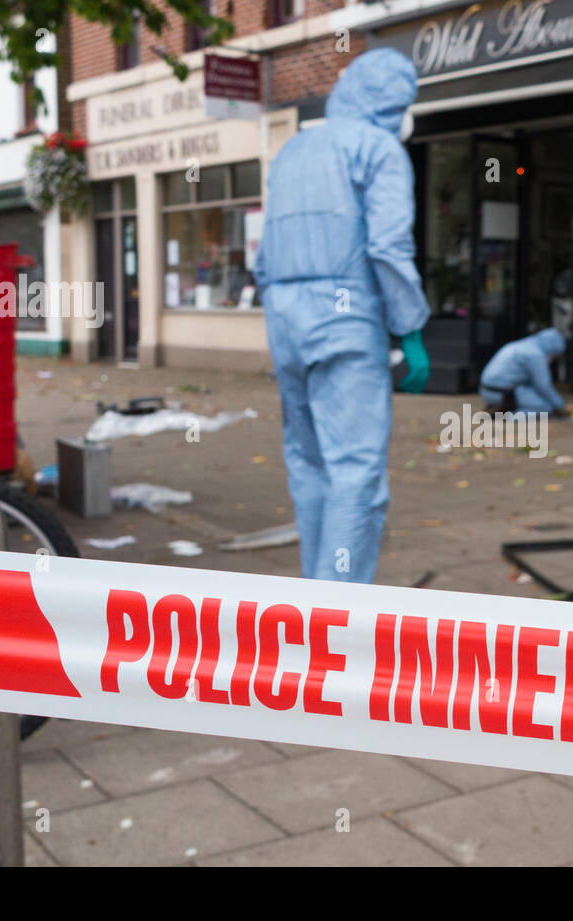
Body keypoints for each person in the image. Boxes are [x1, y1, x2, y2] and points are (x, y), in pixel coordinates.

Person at [253, 49, 430, 585]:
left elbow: (263, 256)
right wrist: (411, 328)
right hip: (346, 321)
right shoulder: (379, 151)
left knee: (307, 464)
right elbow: (388, 247)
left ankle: (313, 600)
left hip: (285, 323)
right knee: (356, 470)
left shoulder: (292, 151)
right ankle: (338, 612)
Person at [478, 328, 568, 415]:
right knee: (546, 407)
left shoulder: (522, 345)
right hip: (503, 394)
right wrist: (561, 405)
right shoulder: (536, 354)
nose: (553, 357)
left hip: (487, 390)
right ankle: (508, 415)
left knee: (536, 397)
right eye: (555, 354)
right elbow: (544, 387)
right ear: (553, 348)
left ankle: (500, 407)